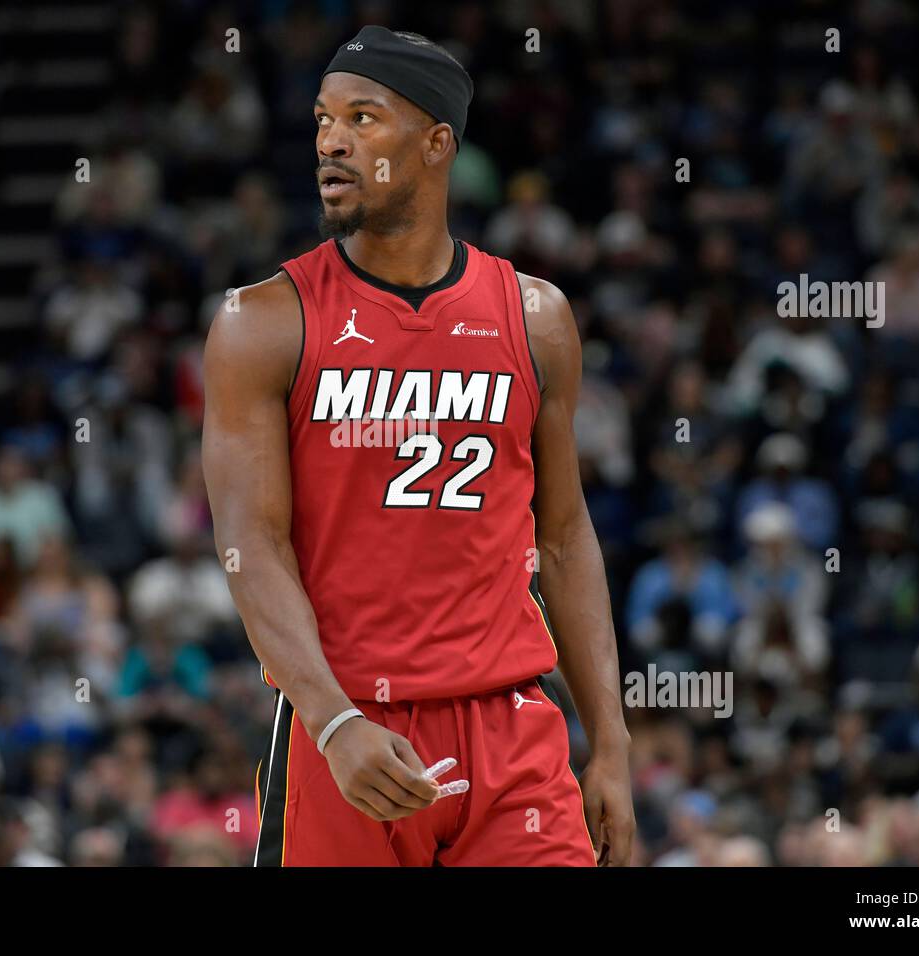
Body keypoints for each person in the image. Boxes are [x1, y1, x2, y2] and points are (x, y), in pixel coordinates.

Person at [202, 26, 632, 867]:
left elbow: (567, 534)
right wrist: (331, 720)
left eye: (363, 119)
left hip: (511, 730)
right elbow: (251, 544)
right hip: (349, 727)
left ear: (437, 144)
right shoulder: (262, 322)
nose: (331, 141)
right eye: (324, 120)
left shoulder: (535, 317)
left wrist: (610, 743)